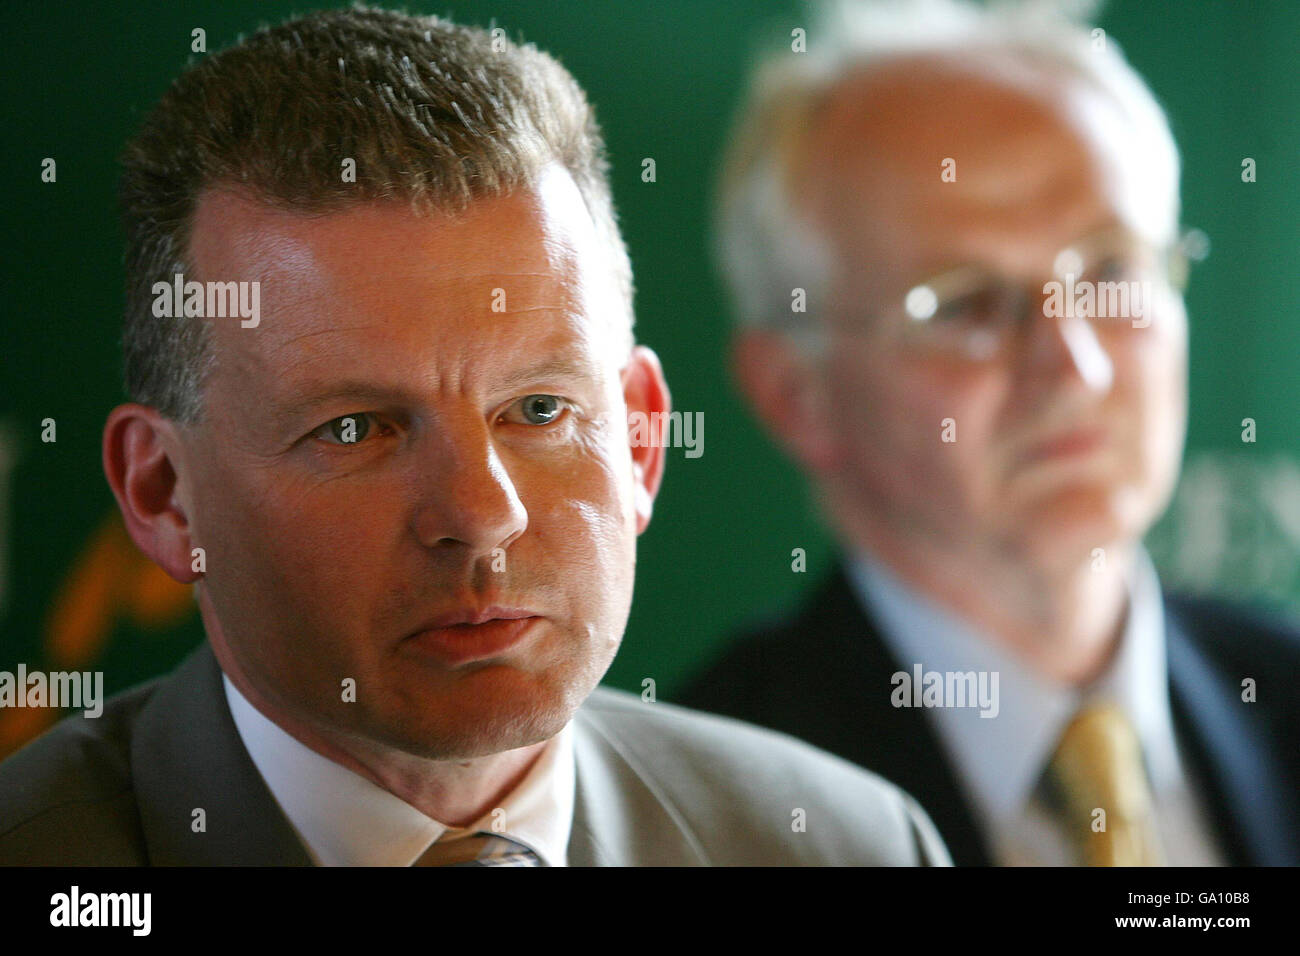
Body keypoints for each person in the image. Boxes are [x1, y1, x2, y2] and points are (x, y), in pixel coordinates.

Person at [0, 7, 949, 867]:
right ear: (165, 496)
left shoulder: (849, 845)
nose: (481, 514)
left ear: (641, 443)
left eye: (539, 410)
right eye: (355, 429)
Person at [682, 0, 1300, 866]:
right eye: (966, 304)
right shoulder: (694, 808)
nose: (1073, 366)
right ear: (797, 392)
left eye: (1112, 269)